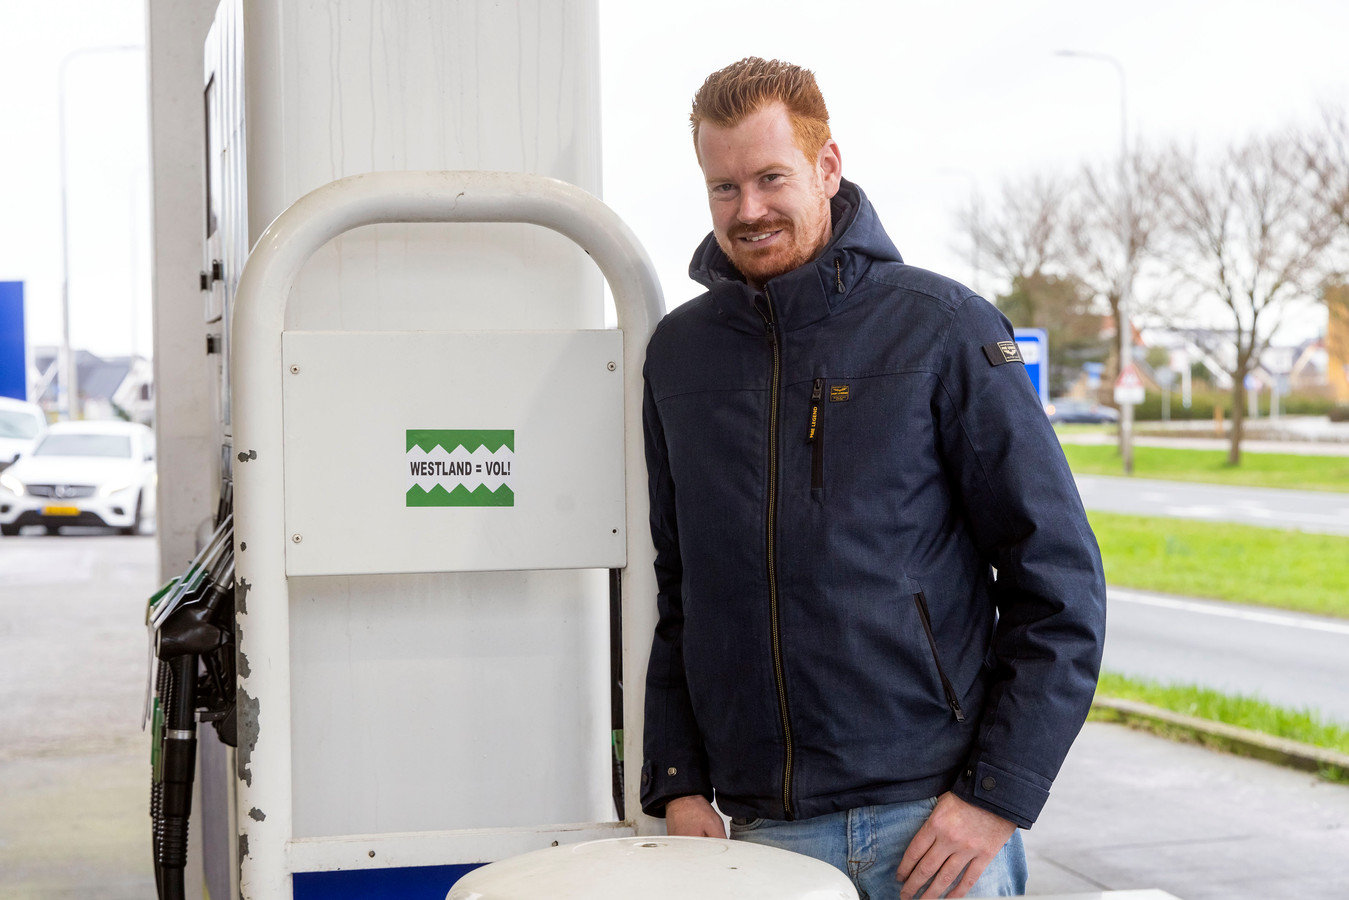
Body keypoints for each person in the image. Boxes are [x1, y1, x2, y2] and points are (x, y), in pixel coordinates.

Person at [639, 57, 1107, 899]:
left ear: (826, 168)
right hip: (758, 839)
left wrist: (994, 797)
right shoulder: (679, 355)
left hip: (930, 829)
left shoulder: (941, 329)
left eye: (770, 177)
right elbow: (682, 589)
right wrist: (675, 782)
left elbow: (1060, 587)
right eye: (722, 187)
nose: (747, 211)